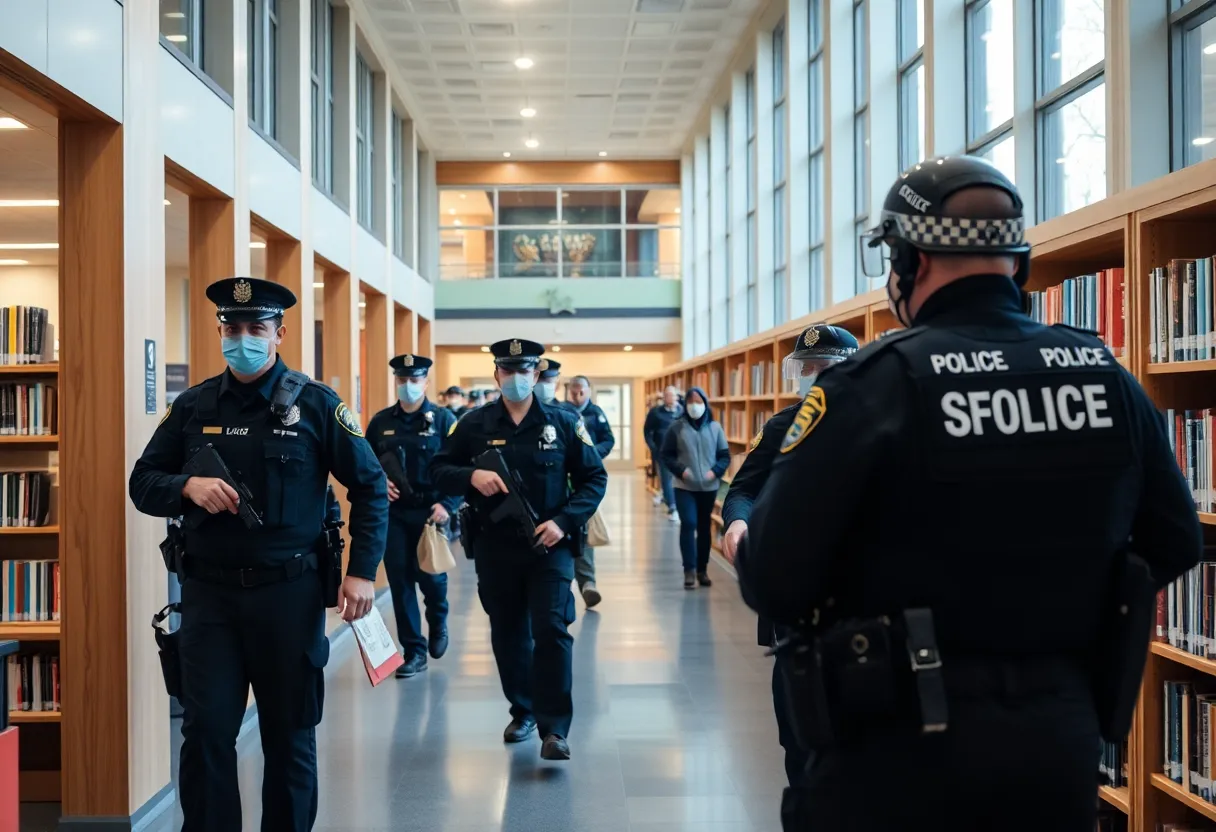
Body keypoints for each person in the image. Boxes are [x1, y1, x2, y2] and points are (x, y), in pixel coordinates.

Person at [737, 155, 1203, 832]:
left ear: (909, 260)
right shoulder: (1104, 375)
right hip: (1059, 735)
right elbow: (1175, 539)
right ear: (1018, 262)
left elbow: (775, 580)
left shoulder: (875, 386)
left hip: (894, 741)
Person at [129, 277, 388, 832]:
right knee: (206, 734)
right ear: (220, 330)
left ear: (279, 333)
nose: (242, 338)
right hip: (209, 599)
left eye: (255, 328)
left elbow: (369, 485)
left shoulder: (317, 405)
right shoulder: (192, 406)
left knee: (289, 735)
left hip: (288, 597)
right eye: (232, 328)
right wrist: (186, 488)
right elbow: (142, 481)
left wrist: (363, 572)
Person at [430, 339, 607, 761]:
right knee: (507, 632)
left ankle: (555, 729)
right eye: (507, 371)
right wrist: (472, 476)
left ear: (536, 373)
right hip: (496, 548)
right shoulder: (473, 424)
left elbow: (593, 480)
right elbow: (439, 468)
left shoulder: (563, 423)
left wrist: (564, 522)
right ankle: (522, 711)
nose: (515, 378)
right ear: (497, 376)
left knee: (551, 629)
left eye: (523, 370)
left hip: (551, 547)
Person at [721, 323, 858, 788]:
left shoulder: (876, 422)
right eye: (809, 368)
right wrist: (738, 520)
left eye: (827, 368)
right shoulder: (781, 426)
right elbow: (743, 489)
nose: (816, 377)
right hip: (796, 597)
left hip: (861, 597)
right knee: (797, 725)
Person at [365, 354, 459, 678]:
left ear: (426, 382)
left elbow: (461, 468)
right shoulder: (379, 423)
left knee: (431, 579)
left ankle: (438, 617)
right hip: (393, 513)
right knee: (400, 581)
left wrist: (448, 504)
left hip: (431, 512)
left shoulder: (444, 420)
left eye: (414, 380)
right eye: (402, 380)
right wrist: (380, 482)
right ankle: (413, 651)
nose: (408, 386)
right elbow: (365, 465)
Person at [660, 387, 729, 589]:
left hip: (708, 487)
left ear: (705, 403)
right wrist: (681, 471)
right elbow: (666, 455)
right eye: (690, 401)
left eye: (698, 401)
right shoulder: (676, 427)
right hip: (684, 486)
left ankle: (702, 570)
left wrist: (715, 471)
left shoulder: (715, 428)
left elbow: (724, 456)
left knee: (704, 527)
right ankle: (689, 570)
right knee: (689, 524)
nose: (694, 406)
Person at [563, 375, 615, 608]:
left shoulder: (596, 413)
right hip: (562, 479)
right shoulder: (560, 411)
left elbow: (608, 440)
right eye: (573, 389)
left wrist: (593, 455)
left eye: (580, 389)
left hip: (586, 479)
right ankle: (563, 583)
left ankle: (587, 582)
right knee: (561, 529)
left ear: (588, 390)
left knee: (584, 528)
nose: (577, 393)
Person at [644, 386, 682, 522]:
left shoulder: (682, 412)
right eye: (667, 395)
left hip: (680, 453)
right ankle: (672, 507)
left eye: (672, 395)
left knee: (678, 480)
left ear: (677, 397)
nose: (669, 398)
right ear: (663, 397)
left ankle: (674, 502)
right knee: (666, 479)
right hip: (662, 452)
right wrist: (653, 448)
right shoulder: (655, 412)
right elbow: (647, 431)